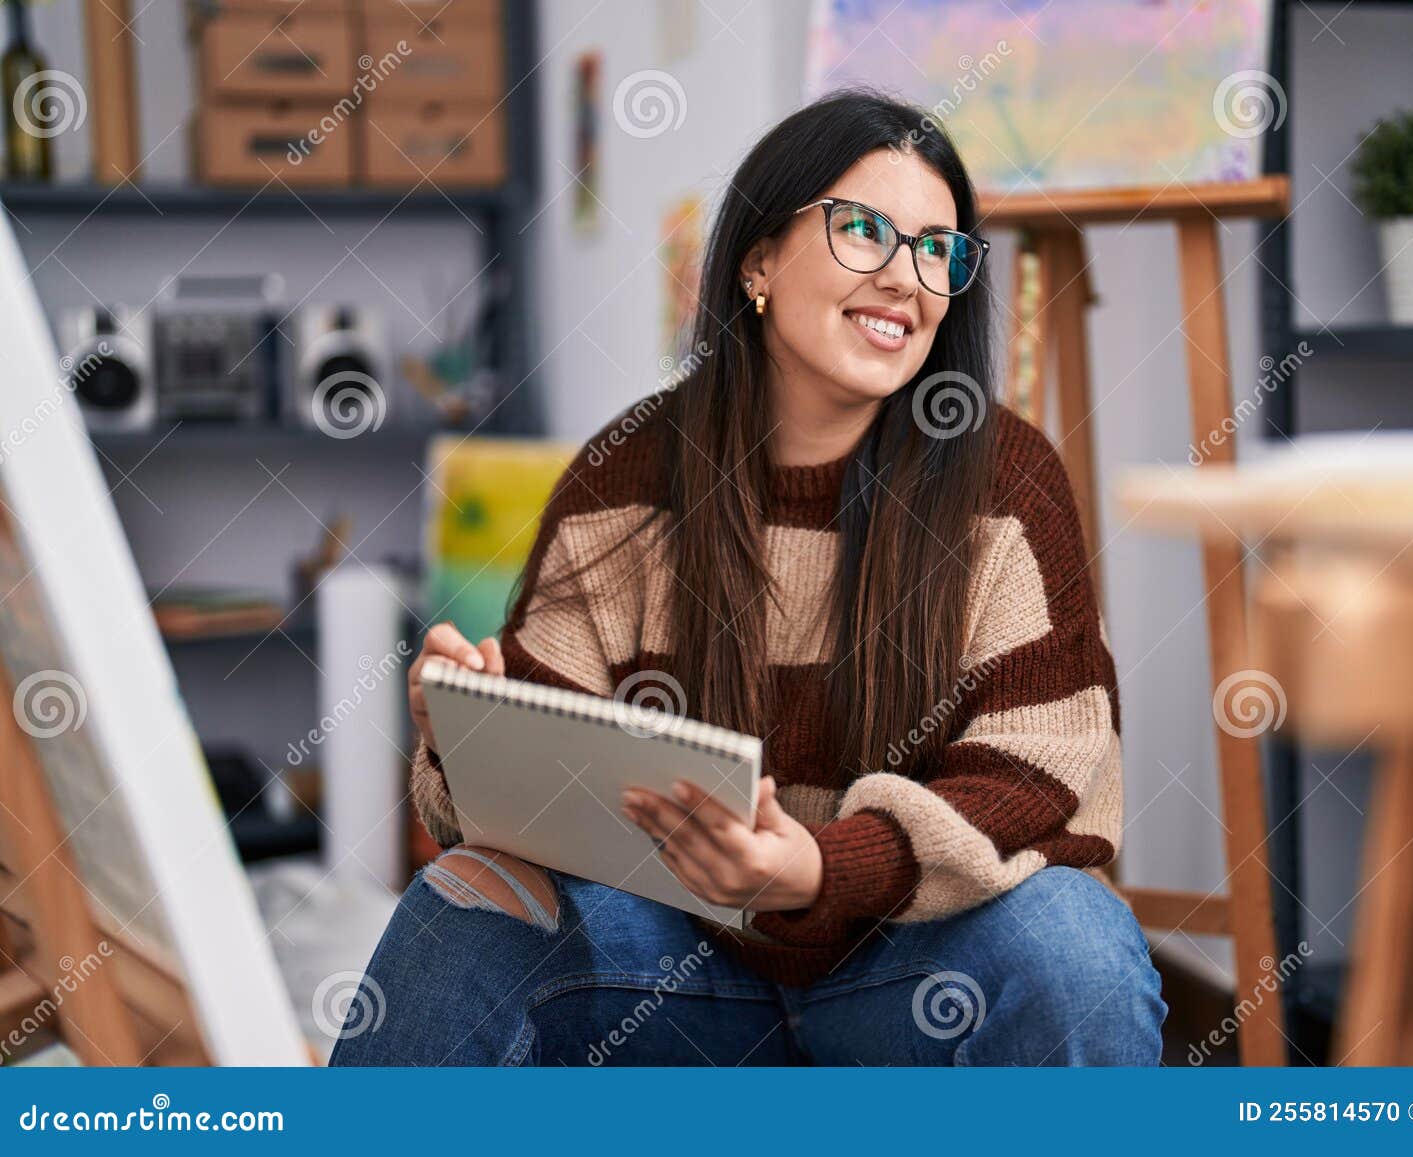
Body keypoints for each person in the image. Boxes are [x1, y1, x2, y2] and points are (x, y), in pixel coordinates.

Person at [330, 88, 1165, 1067]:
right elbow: (544, 784)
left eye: (938, 249)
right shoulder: (630, 473)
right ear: (757, 259)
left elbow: (1035, 773)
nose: (908, 279)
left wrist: (818, 864)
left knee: (1078, 950)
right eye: (865, 231)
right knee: (465, 898)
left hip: (909, 964)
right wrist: (467, 736)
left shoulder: (1003, 479)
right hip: (678, 974)